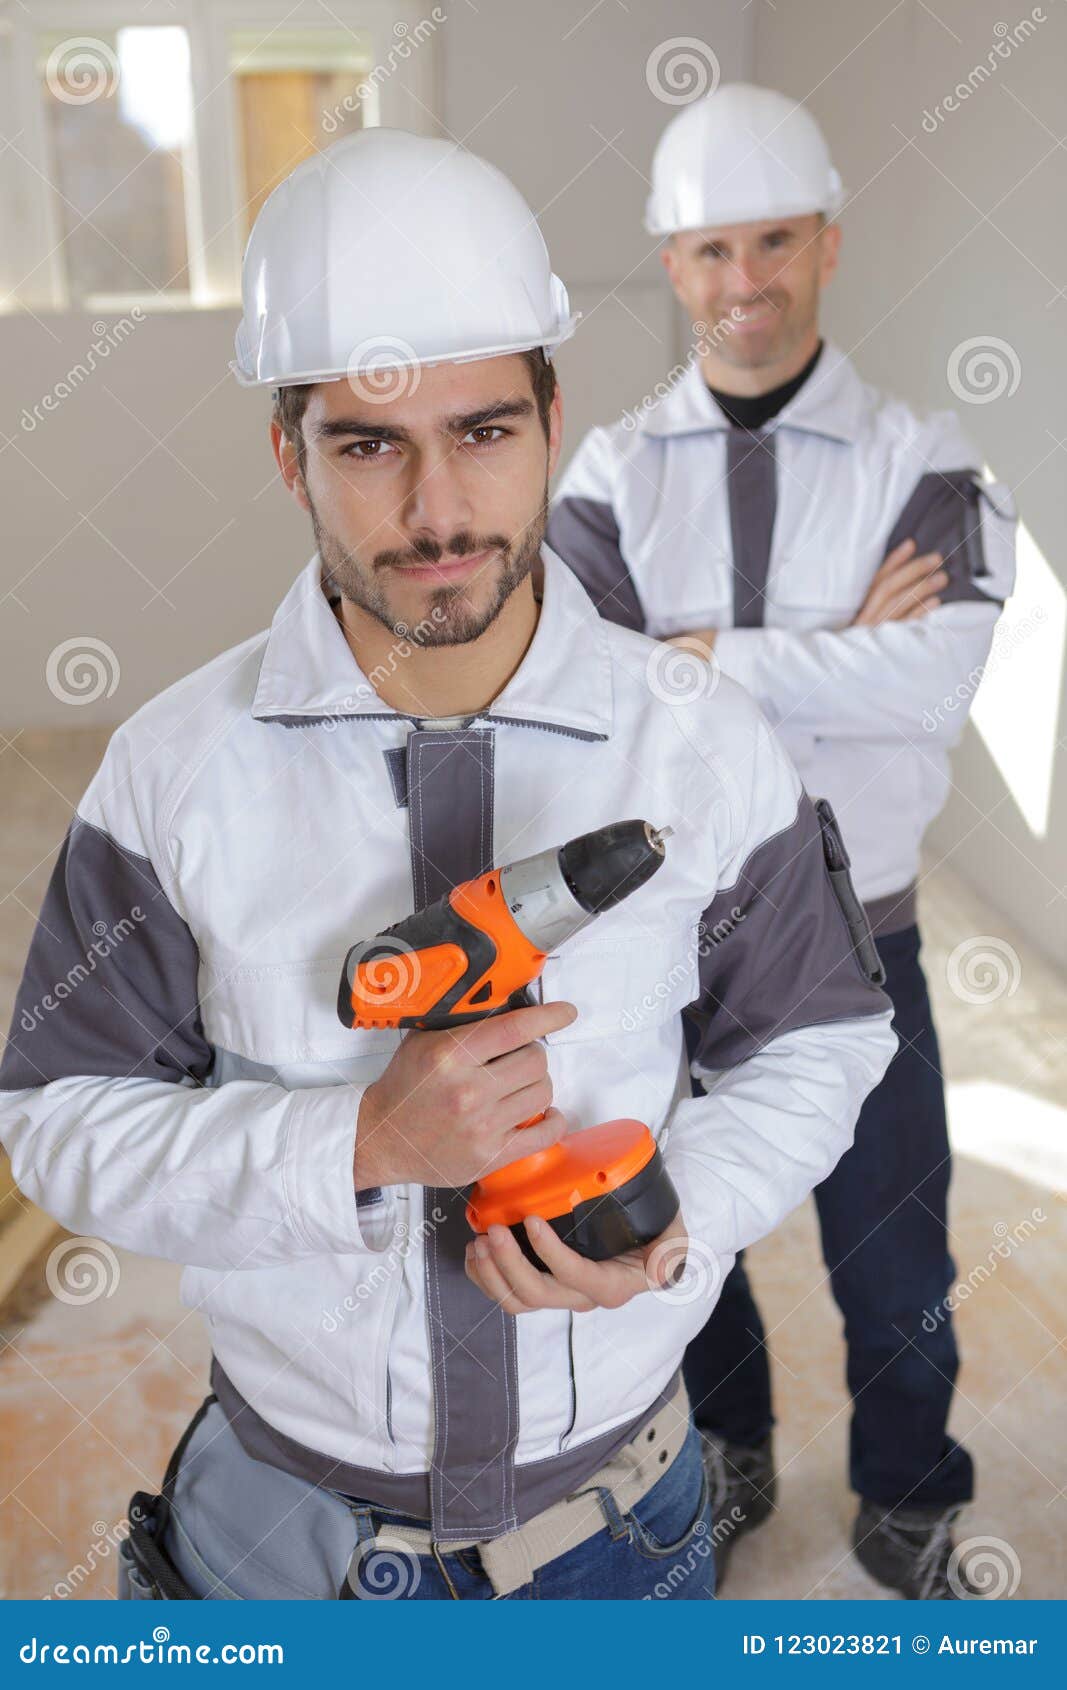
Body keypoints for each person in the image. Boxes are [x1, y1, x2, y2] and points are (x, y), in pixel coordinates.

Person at [0, 127, 895, 1602]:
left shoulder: (701, 745)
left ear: (552, 420)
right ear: (288, 452)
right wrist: (359, 1147)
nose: (435, 512)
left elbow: (824, 1039)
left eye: (483, 431)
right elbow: (57, 1120)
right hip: (283, 1543)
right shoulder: (175, 771)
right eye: (369, 445)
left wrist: (682, 1212)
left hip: (623, 1528)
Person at [547, 82, 1017, 1600]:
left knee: (897, 1252)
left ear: (828, 241)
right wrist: (830, 652)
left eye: (773, 242)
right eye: (710, 250)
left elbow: (939, 679)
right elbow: (594, 700)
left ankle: (911, 1492)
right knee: (682, 1225)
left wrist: (701, 653)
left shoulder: (926, 462)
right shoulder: (612, 473)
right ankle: (730, 1446)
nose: (743, 280)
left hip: (864, 936)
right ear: (671, 264)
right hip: (683, 936)